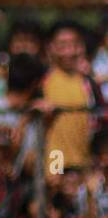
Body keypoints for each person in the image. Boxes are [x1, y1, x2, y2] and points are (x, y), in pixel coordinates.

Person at [42, 20, 101, 171]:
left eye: (74, 45)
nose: (69, 51)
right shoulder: (44, 80)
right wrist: (54, 169)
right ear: (50, 48)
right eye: (62, 46)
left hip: (84, 162)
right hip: (57, 160)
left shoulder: (88, 82)